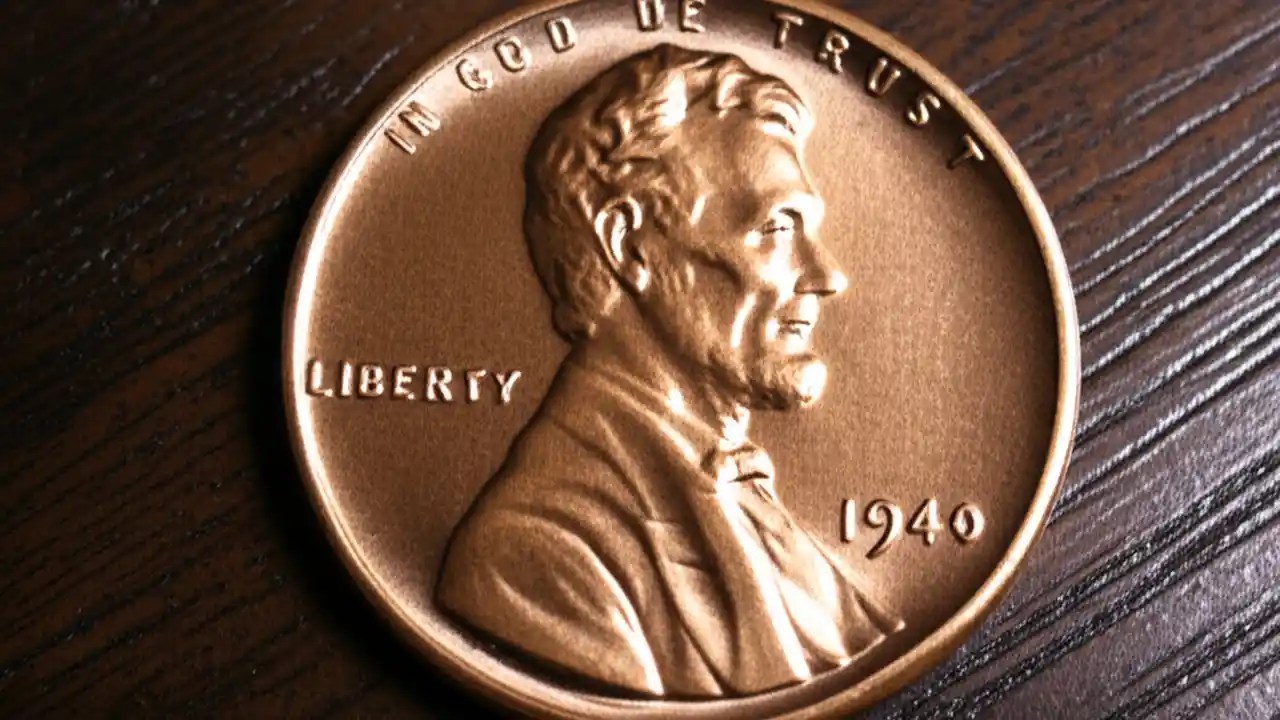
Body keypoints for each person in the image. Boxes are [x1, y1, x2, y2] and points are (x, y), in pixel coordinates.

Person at [436, 44, 902, 698]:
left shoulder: (738, 487)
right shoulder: (532, 556)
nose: (826, 275)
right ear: (629, 244)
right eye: (777, 228)